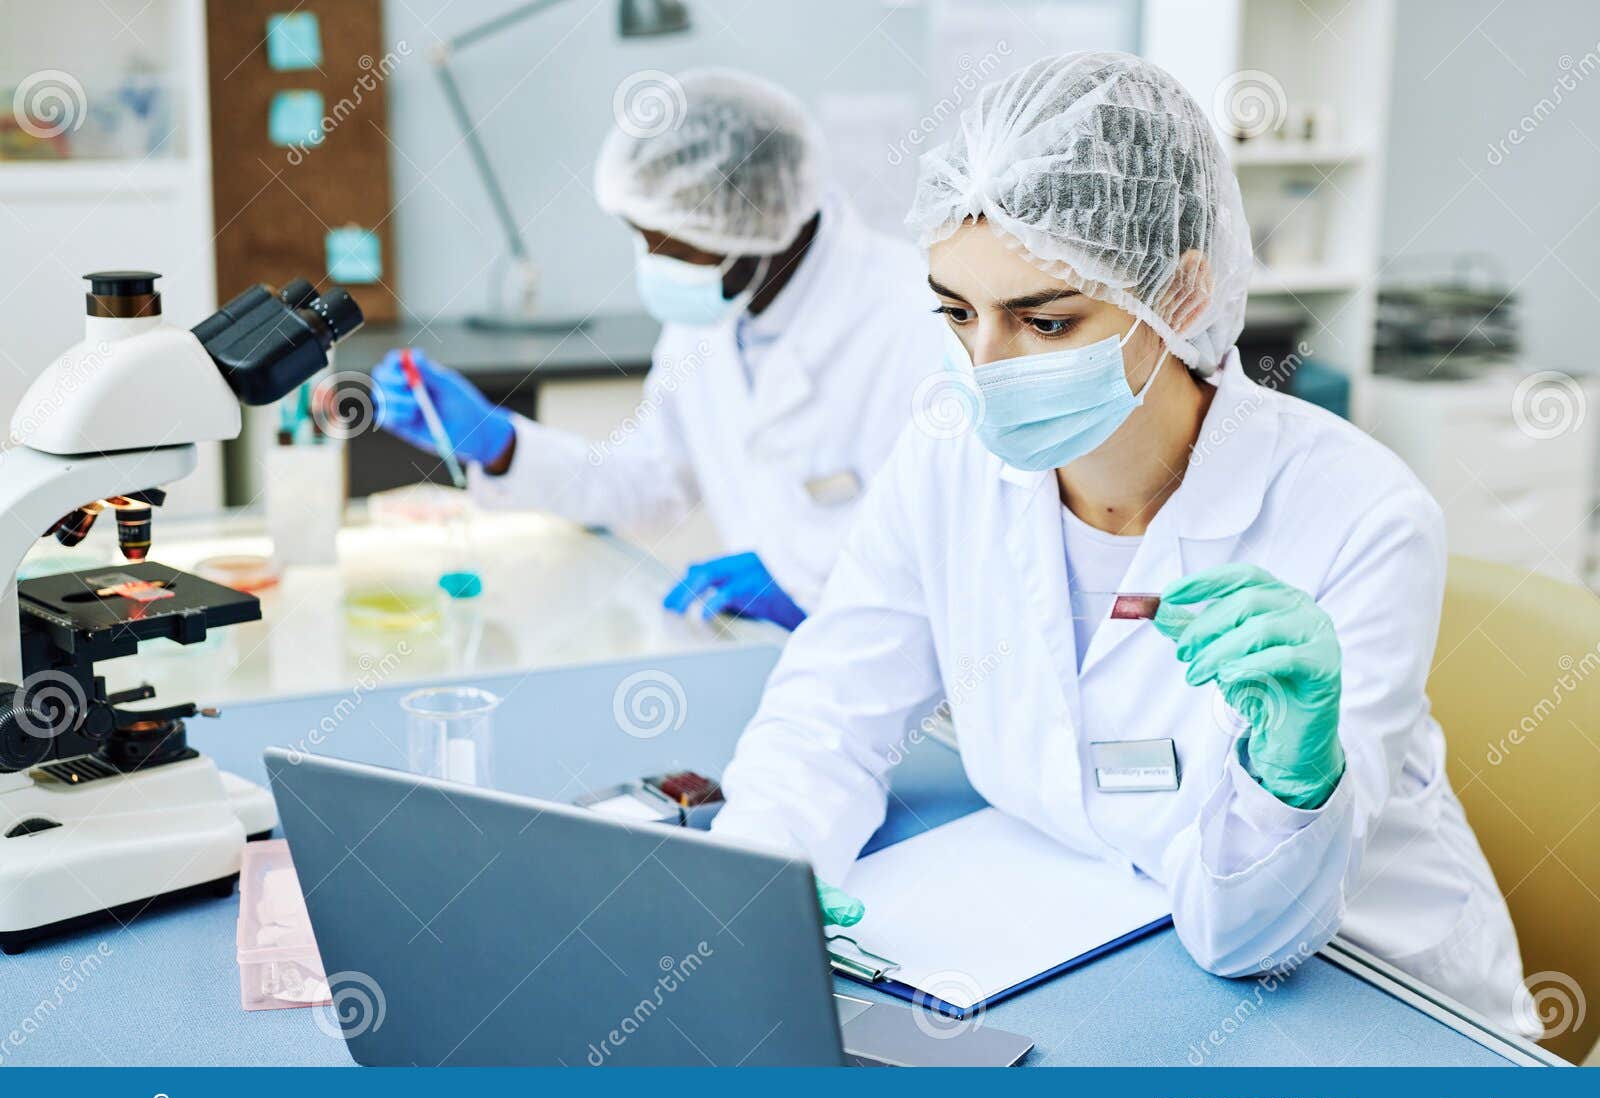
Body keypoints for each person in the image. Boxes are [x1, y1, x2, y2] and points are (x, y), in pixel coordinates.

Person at [710, 52, 1532, 1032]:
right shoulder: (948, 457)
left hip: (1382, 1002)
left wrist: (1288, 779)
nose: (983, 367)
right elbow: (831, 705)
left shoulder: (1359, 513)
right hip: (1114, 936)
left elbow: (1252, 938)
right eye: (956, 312)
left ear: (1180, 295)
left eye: (1044, 320)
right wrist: (763, 872)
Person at [369, 68, 946, 629]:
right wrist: (500, 446)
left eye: (675, 246)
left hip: (915, 686)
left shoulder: (917, 322)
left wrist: (810, 592)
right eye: (644, 238)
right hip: (779, 659)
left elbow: (948, 547)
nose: (654, 265)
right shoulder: (718, 307)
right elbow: (652, 483)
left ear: (756, 224)